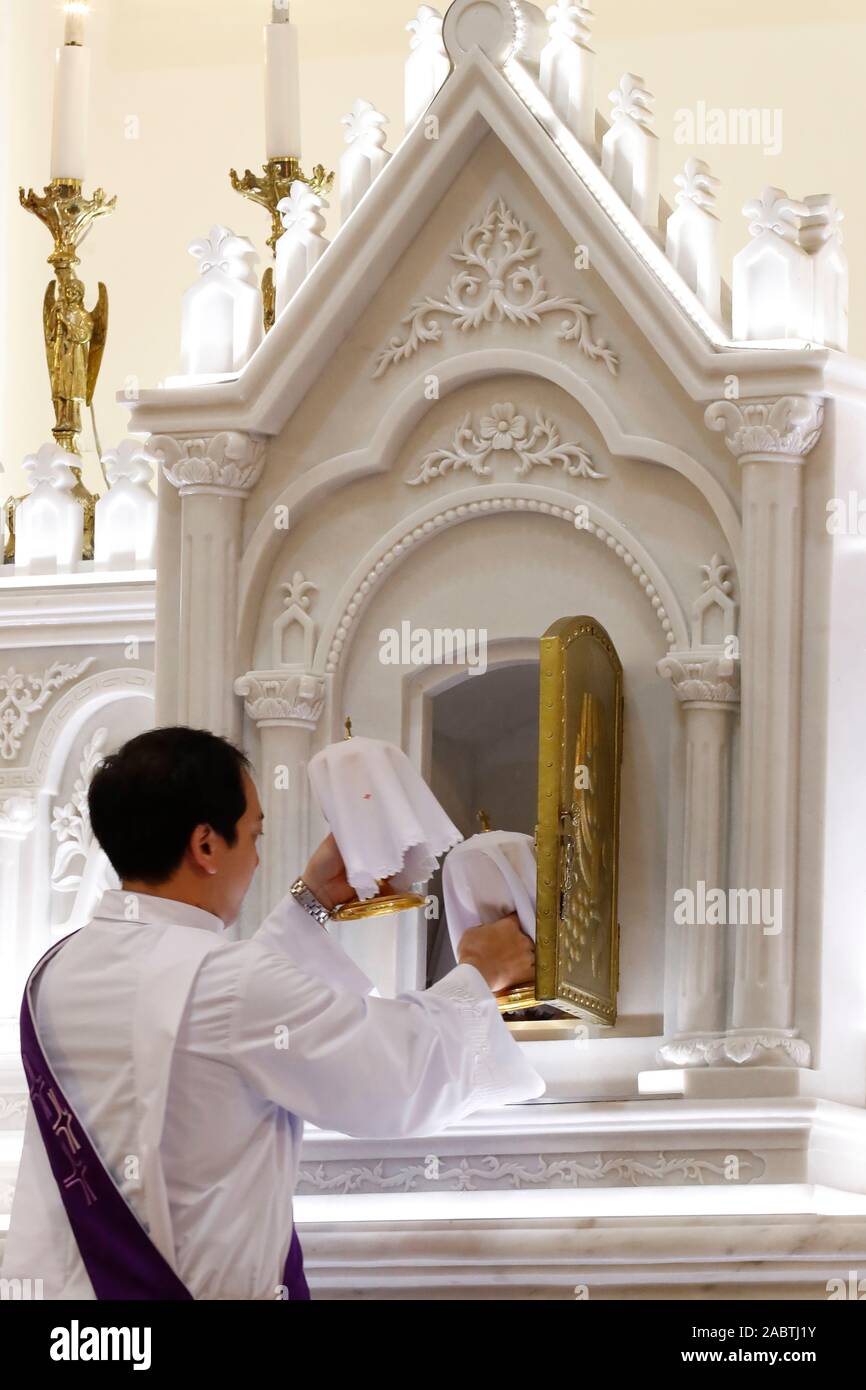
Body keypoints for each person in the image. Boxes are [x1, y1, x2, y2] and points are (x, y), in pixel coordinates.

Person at [2, 726, 544, 1300]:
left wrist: (311, 901)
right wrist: (480, 975)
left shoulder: (54, 971)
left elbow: (203, 1022)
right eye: (254, 836)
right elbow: (398, 1077)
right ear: (206, 846)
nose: (259, 859)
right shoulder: (225, 983)